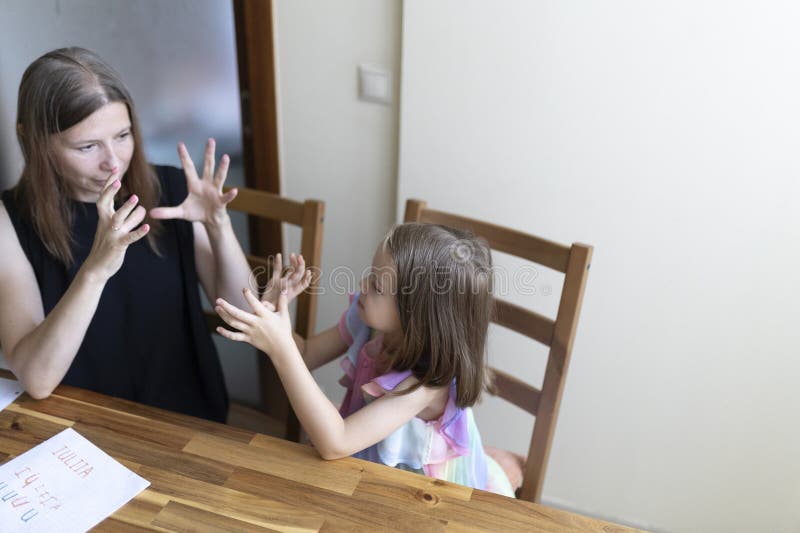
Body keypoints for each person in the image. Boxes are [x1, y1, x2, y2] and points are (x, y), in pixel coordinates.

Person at [0, 47, 254, 422]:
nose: (113, 162)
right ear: (35, 142)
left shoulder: (171, 190)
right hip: (78, 425)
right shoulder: (10, 220)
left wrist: (219, 226)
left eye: (122, 135)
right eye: (87, 147)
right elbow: (36, 379)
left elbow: (245, 317)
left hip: (187, 421)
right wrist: (94, 270)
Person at [214, 223, 516, 496]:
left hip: (420, 494)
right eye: (371, 275)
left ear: (417, 316)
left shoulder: (426, 385)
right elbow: (305, 354)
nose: (362, 286)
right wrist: (272, 312)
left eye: (377, 286)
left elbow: (336, 442)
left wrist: (281, 349)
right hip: (363, 463)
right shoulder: (367, 319)